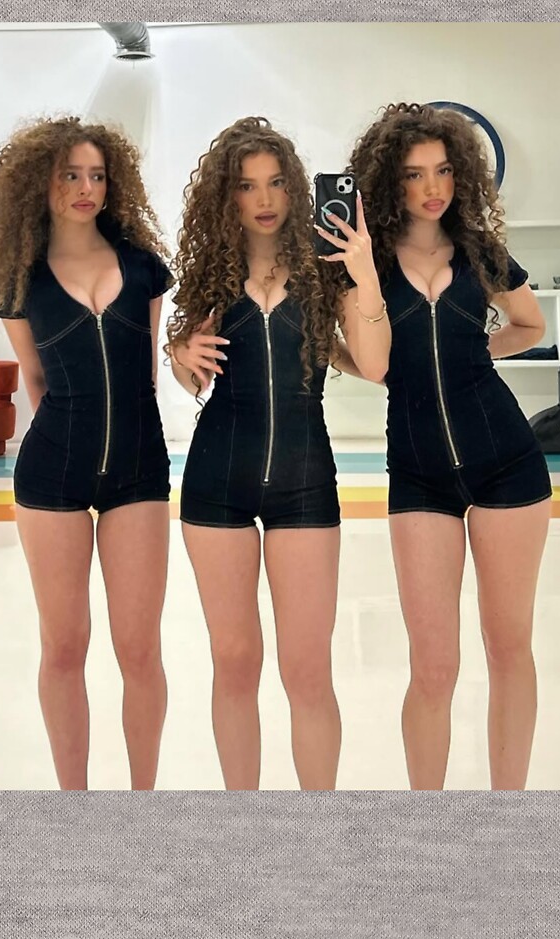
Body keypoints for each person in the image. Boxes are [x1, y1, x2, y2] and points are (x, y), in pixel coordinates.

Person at [166, 116, 389, 790]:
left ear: (295, 190)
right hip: (217, 479)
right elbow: (191, 379)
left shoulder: (326, 274)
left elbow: (374, 364)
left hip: (304, 479)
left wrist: (364, 273)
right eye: (246, 186)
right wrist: (179, 354)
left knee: (307, 669)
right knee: (234, 662)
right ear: (226, 197)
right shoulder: (208, 275)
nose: (263, 199)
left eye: (274, 183)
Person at [345, 102, 551, 790]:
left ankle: (507, 811)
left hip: (508, 461)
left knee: (508, 647)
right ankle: (426, 821)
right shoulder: (364, 263)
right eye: (413, 174)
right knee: (433, 667)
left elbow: (530, 325)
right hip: (418, 472)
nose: (432, 187)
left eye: (442, 170)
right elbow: (363, 359)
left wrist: (470, 352)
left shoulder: (481, 252)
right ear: (389, 181)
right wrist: (369, 300)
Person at [0, 117, 173, 790]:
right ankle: (74, 805)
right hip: (52, 471)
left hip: (139, 469)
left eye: (97, 175)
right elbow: (35, 381)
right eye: (70, 175)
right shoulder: (19, 279)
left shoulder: (142, 268)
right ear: (41, 183)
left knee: (139, 649)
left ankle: (143, 801)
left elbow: (146, 371)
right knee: (63, 647)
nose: (87, 188)